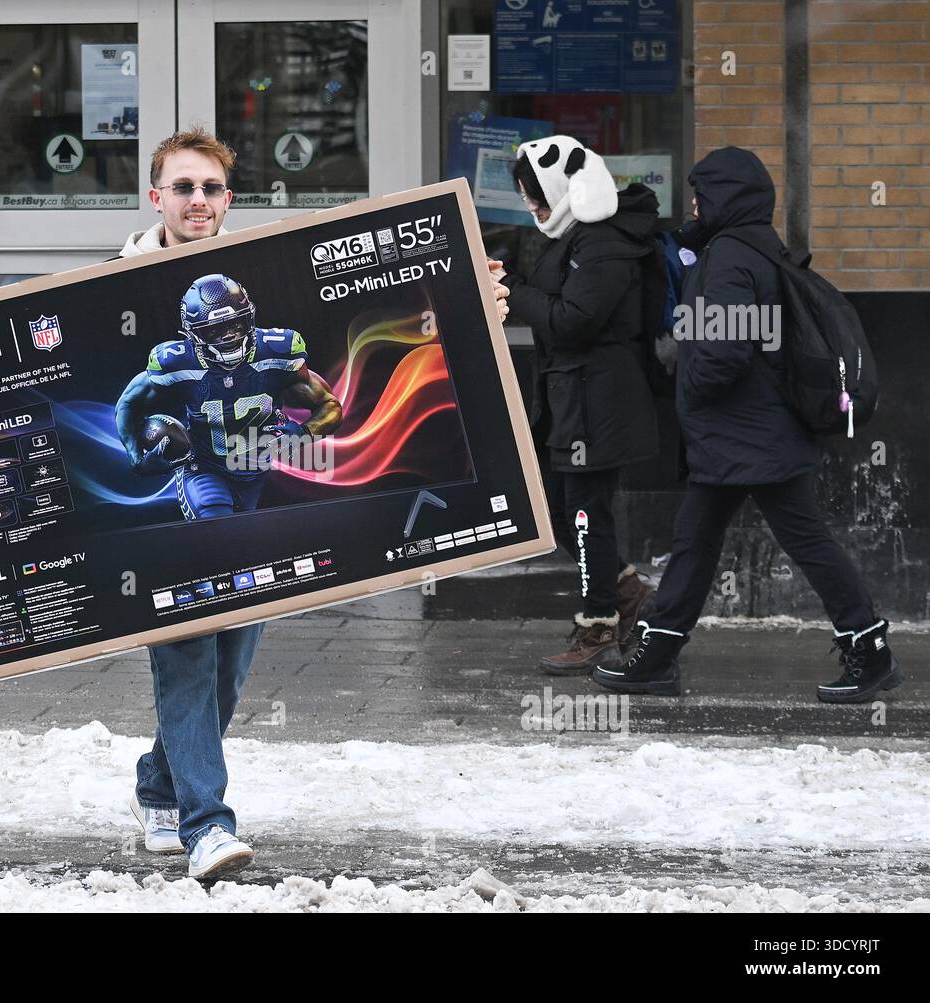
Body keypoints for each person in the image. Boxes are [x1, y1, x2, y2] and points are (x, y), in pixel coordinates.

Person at [117, 128, 512, 879]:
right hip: (191, 494)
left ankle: (157, 781)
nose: (196, 200)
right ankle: (207, 824)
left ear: (228, 200)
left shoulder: (263, 297)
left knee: (231, 658)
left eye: (210, 188)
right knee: (193, 639)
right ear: (156, 196)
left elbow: (333, 397)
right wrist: (145, 447)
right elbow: (130, 399)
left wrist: (471, 301)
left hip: (255, 484)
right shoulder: (122, 290)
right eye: (182, 187)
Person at [592, 146, 901, 703]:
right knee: (695, 542)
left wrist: (686, 371)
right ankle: (656, 654)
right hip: (743, 435)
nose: (691, 204)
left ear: (723, 199)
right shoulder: (755, 248)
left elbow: (725, 350)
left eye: (700, 194)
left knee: (802, 541)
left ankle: (868, 647)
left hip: (748, 434)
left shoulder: (730, 256)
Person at [494, 135, 659, 675]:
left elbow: (573, 319)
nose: (533, 208)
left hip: (596, 400)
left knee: (586, 514)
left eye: (537, 197)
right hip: (569, 397)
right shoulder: (577, 237)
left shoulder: (604, 241)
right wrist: (511, 283)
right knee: (559, 510)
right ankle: (624, 591)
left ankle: (599, 628)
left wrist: (514, 292)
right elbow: (556, 304)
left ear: (565, 188)